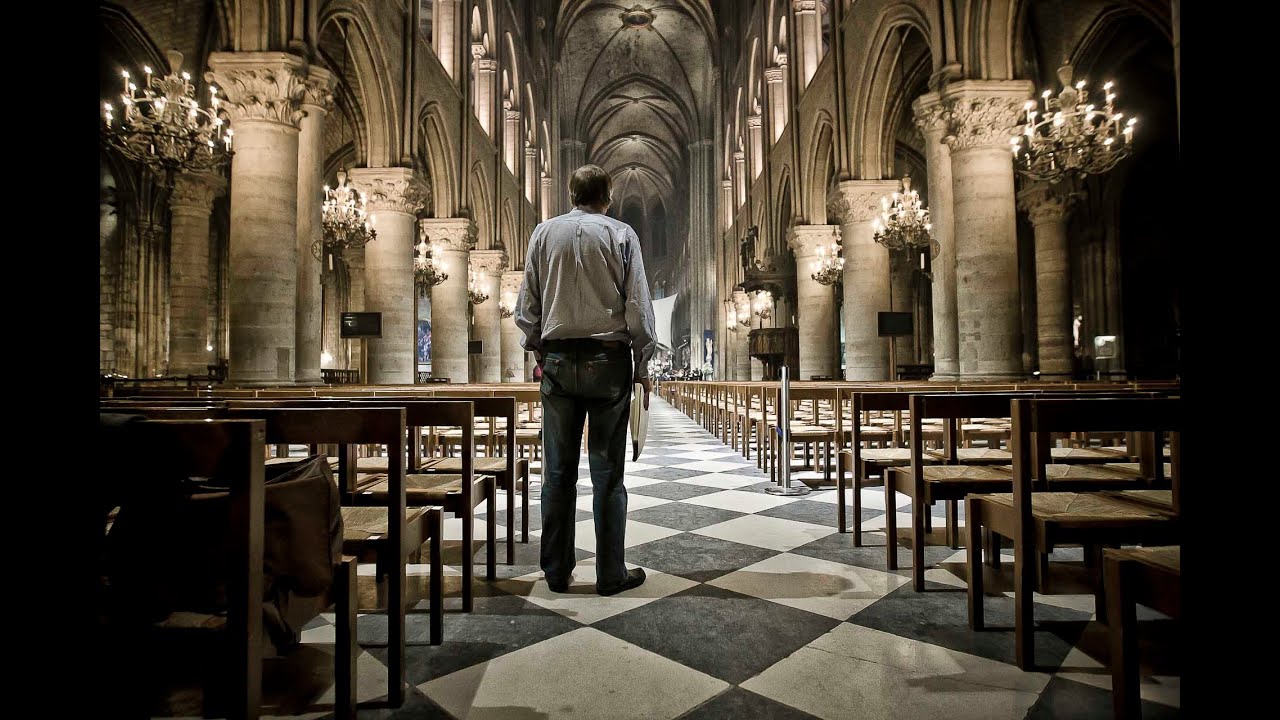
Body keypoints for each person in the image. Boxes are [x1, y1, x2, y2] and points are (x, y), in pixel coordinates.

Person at [515, 164, 656, 596]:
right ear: (607, 198)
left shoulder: (543, 234)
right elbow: (638, 309)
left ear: (571, 194)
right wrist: (642, 363)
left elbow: (526, 309)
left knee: (557, 473)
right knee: (608, 474)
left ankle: (557, 570)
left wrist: (542, 349)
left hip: (557, 363)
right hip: (609, 363)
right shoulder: (621, 235)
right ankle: (610, 573)